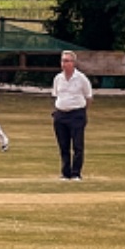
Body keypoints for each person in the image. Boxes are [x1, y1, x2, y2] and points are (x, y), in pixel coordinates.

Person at [51, 50, 93, 181]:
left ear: (73, 63)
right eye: (62, 61)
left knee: (77, 145)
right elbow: (56, 95)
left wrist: (82, 112)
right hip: (60, 114)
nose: (64, 64)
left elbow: (88, 97)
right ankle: (65, 172)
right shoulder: (58, 78)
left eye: (67, 61)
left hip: (76, 114)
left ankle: (76, 173)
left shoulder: (81, 78)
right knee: (63, 145)